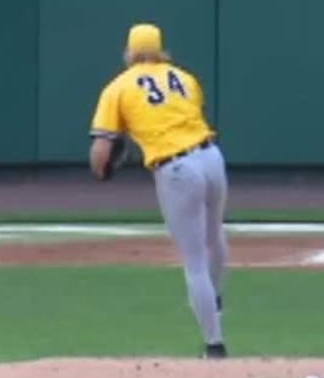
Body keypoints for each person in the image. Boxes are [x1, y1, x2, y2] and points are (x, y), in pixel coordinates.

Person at [88, 24, 230, 359]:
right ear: (160, 49)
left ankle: (214, 345)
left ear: (129, 52)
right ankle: (216, 296)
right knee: (215, 237)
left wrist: (101, 171)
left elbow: (101, 150)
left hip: (177, 169)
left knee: (194, 263)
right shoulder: (185, 78)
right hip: (211, 157)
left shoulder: (118, 88)